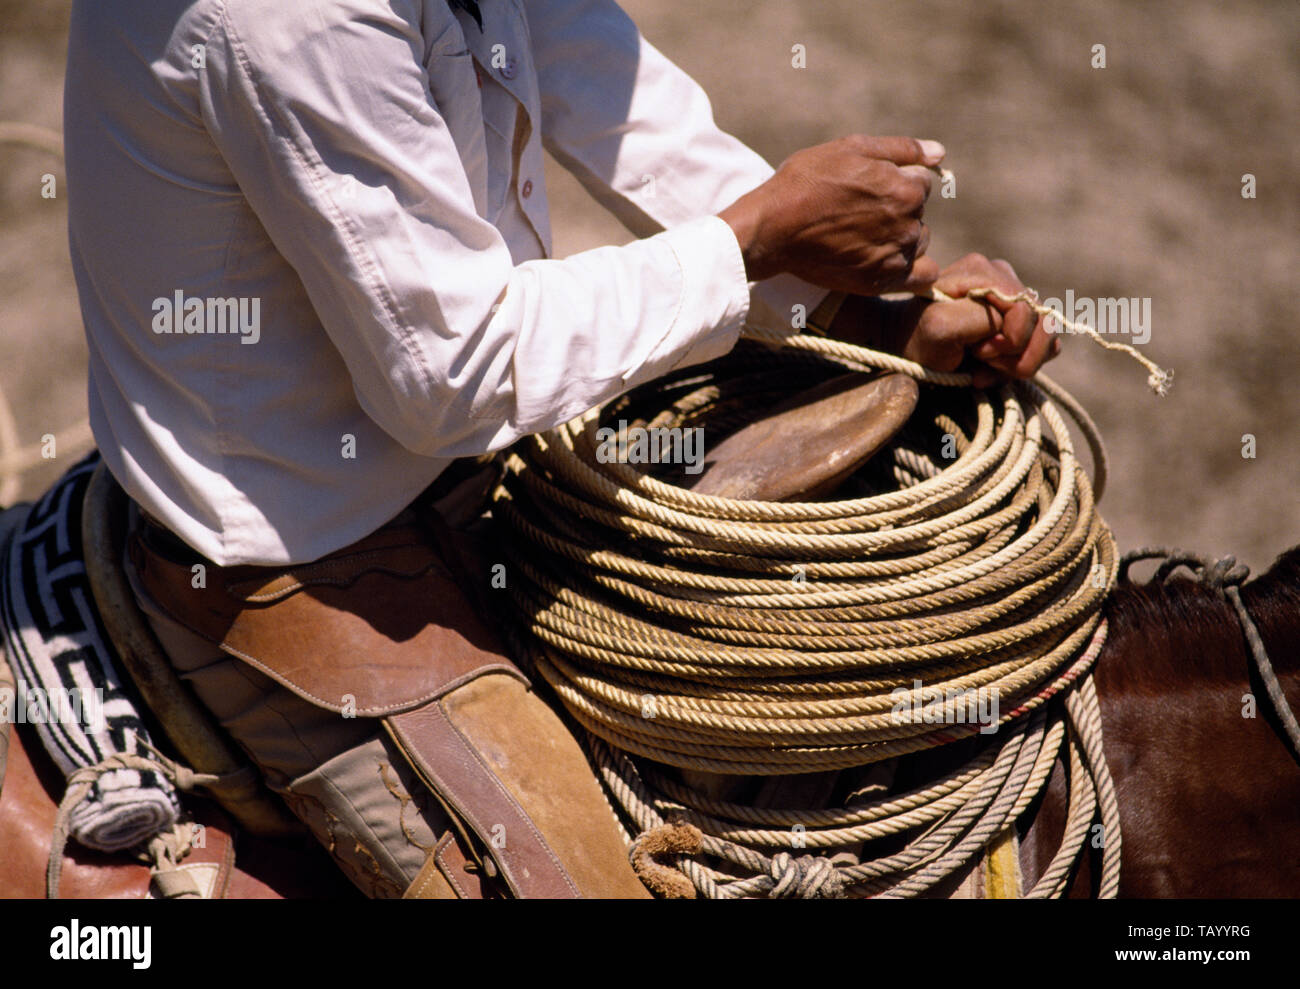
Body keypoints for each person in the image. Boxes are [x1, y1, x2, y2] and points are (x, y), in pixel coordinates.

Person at [63, 0, 1056, 896]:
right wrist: (757, 234)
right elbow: (450, 376)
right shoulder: (289, 17)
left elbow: (610, 93)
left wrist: (856, 304)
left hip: (464, 462)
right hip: (305, 553)